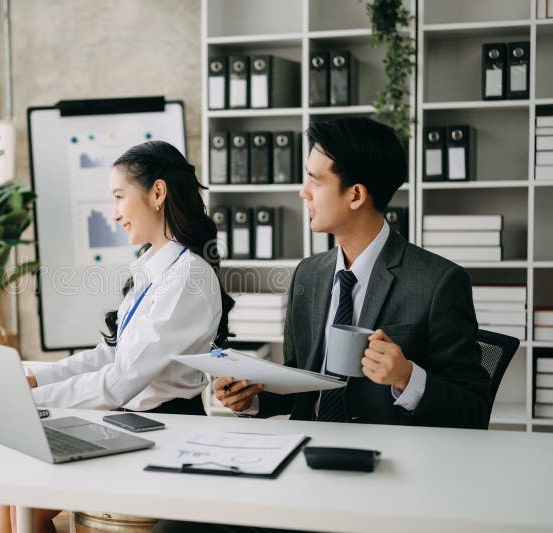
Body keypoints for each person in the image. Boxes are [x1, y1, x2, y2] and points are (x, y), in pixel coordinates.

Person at [153, 117, 491, 533]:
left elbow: (473, 413)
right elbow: (304, 388)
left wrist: (406, 376)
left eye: (314, 180)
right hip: (301, 462)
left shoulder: (438, 282)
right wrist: (254, 395)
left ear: (356, 195)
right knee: (178, 525)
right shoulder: (309, 276)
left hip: (382, 477)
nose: (303, 192)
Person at [27, 140, 234, 533]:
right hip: (132, 422)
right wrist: (39, 378)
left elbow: (121, 381)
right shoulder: (152, 268)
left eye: (119, 196)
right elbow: (112, 354)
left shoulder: (187, 276)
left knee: (28, 491)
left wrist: (30, 400)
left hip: (167, 431)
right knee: (20, 495)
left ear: (157, 193)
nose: (115, 212)